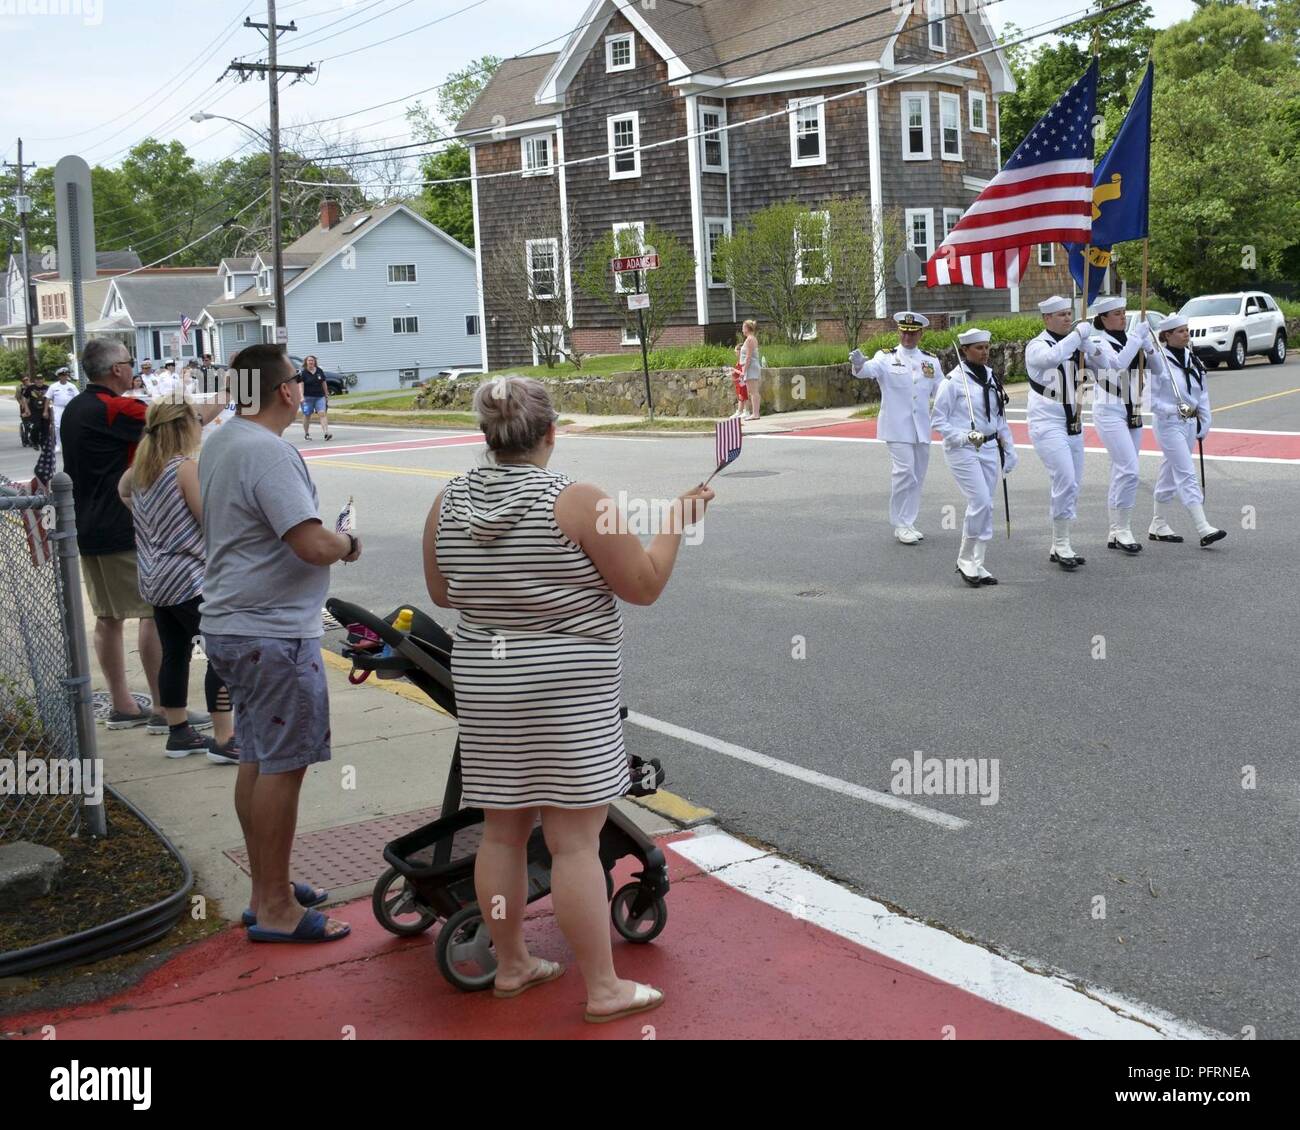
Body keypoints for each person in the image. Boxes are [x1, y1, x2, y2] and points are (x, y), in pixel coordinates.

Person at [422, 376, 713, 1022]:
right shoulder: (576, 501)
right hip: (566, 692)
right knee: (574, 842)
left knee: (501, 834)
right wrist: (674, 523)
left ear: (486, 437)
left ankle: (512, 962)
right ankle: (604, 989)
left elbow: (442, 591)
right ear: (551, 433)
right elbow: (642, 584)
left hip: (487, 687)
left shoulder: (448, 502)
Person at [200, 343, 360, 944]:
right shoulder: (269, 453)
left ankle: (269, 885)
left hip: (232, 623)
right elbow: (310, 544)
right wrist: (349, 542)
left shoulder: (221, 440)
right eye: (295, 378)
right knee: (284, 767)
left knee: (256, 757)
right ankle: (274, 906)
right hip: (271, 631)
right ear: (286, 390)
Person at [62, 339, 212, 732]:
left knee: (108, 617)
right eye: (129, 363)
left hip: (87, 523)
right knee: (154, 616)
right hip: (121, 530)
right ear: (115, 370)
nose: (134, 369)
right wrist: (234, 392)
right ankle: (164, 708)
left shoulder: (75, 408)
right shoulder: (118, 407)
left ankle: (123, 704)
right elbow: (180, 419)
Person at [118, 399, 239, 761]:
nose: (201, 428)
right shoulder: (184, 468)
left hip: (156, 579)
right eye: (197, 422)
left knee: (175, 654)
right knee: (221, 654)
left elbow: (123, 491)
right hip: (189, 578)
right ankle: (224, 738)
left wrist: (152, 520)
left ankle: (179, 731)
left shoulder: (141, 469)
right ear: (184, 428)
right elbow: (211, 522)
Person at [931, 328, 1018, 586]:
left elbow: (999, 419)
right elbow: (937, 420)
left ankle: (978, 563)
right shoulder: (952, 382)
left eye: (986, 347)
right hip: (963, 449)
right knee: (980, 501)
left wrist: (1010, 449)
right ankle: (965, 559)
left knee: (987, 505)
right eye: (978, 348)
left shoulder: (991, 378)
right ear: (966, 351)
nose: (984, 352)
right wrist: (963, 436)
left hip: (990, 448)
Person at [849, 311, 943, 544]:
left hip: (921, 427)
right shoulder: (885, 357)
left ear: (920, 333)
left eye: (912, 333)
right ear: (898, 332)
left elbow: (941, 391)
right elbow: (867, 371)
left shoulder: (930, 360)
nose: (907, 337)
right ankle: (900, 523)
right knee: (904, 472)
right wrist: (859, 363)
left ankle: (909, 521)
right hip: (896, 426)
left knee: (917, 476)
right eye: (903, 332)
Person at [1024, 295, 1102, 571]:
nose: (1068, 319)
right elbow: (1050, 358)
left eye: (1070, 314)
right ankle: (1062, 544)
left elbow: (1108, 366)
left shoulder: (1077, 345)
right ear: (1046, 319)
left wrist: (1090, 344)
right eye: (1061, 315)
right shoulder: (1037, 345)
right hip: (1047, 422)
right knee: (1065, 480)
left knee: (1072, 485)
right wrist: (1077, 336)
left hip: (1074, 422)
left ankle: (1060, 542)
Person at [1086, 297, 1158, 554]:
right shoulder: (1097, 343)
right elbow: (1116, 365)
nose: (1122, 317)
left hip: (1134, 409)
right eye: (1116, 314)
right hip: (1109, 410)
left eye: (1123, 313)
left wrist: (1149, 346)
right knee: (1129, 469)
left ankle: (1115, 529)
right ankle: (1124, 529)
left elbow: (1158, 369)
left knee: (1120, 470)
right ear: (1103, 319)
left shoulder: (1132, 339)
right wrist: (1136, 340)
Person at [1149, 314, 1226, 547]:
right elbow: (1150, 399)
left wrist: (1205, 419)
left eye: (1186, 330)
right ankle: (1203, 528)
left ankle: (1158, 523)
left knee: (1169, 475)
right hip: (1169, 423)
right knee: (1186, 473)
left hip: (1191, 423)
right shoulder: (1159, 361)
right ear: (1167, 335)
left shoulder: (1191, 357)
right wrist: (1175, 410)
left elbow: (1201, 392)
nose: (1186, 334)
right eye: (1180, 331)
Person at [45, 366, 78, 459]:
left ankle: (70, 444)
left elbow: (77, 398)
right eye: (62, 375)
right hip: (58, 408)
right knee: (58, 426)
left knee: (71, 426)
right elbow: (48, 398)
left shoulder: (72, 386)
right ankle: (59, 445)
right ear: (59, 376)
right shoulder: (54, 386)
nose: (64, 377)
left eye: (65, 375)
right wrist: (45, 411)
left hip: (70, 408)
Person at [299, 355, 332, 441]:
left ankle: (326, 433)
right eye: (309, 360)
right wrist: (301, 397)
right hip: (307, 398)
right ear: (306, 362)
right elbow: (301, 386)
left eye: (312, 360)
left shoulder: (319, 371)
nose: (311, 362)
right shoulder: (303, 373)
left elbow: (323, 383)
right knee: (307, 415)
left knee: (322, 413)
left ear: (315, 362)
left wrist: (326, 393)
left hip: (320, 397)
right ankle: (306, 434)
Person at [736, 321, 761, 422]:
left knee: (753, 391)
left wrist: (743, 370)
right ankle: (755, 413)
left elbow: (748, 357)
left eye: (743, 327)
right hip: (750, 367)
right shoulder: (750, 339)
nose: (742, 329)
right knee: (752, 391)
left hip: (750, 367)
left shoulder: (750, 339)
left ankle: (755, 413)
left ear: (747, 328)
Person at [20, 371, 49, 452]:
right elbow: (24, 398)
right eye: (37, 379)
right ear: (35, 380)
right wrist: (26, 409)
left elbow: (51, 398)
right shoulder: (30, 388)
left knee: (45, 429)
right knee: (36, 426)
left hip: (45, 410)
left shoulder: (47, 388)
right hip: (34, 411)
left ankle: (44, 444)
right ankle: (35, 441)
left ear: (44, 380)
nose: (39, 381)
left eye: (41, 379)